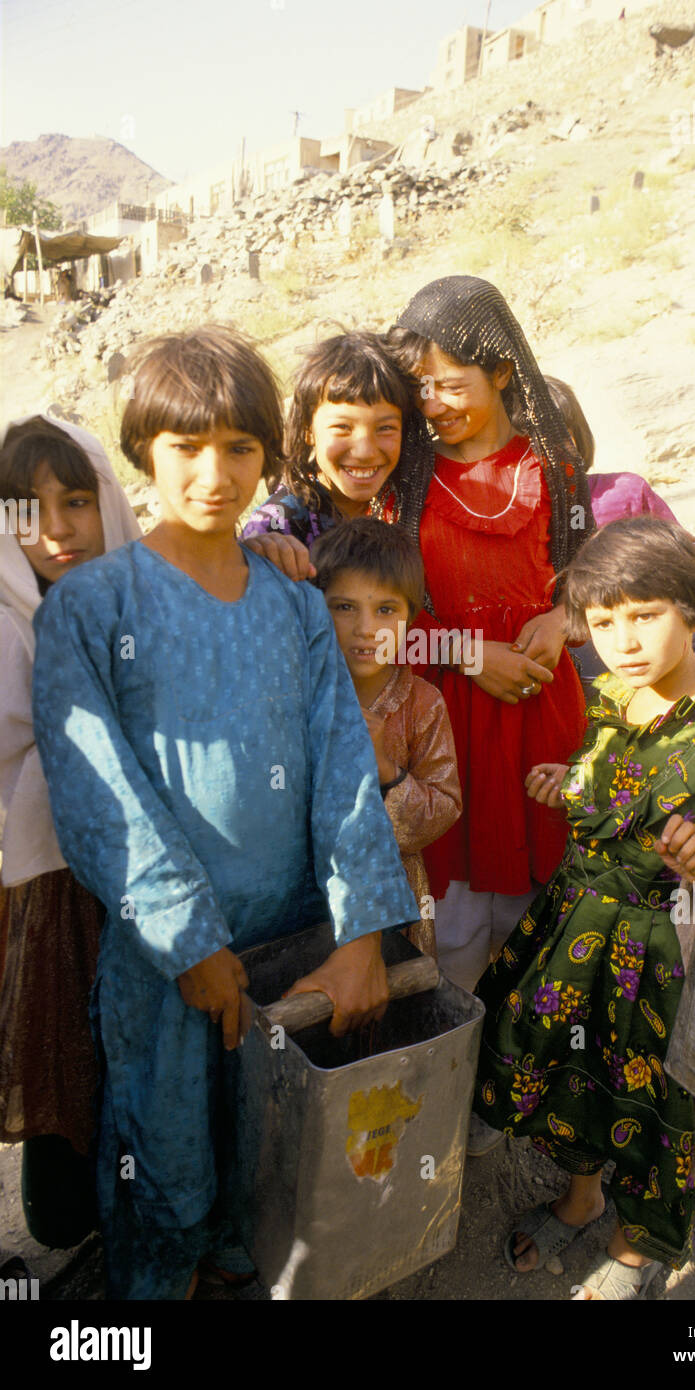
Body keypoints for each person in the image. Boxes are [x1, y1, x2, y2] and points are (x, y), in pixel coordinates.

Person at [30, 327, 418, 1300]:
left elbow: (342, 764)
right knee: (165, 1168)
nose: (215, 474)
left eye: (239, 447)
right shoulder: (93, 607)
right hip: (166, 965)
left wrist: (362, 934)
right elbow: (98, 795)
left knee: (269, 1158)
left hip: (294, 944)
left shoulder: (293, 602)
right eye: (186, 447)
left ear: (268, 454)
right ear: (142, 451)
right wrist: (190, 942)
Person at [470, 516, 695, 1298]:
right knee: (571, 1070)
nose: (624, 641)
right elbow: (604, 789)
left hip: (665, 950)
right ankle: (580, 1198)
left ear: (694, 609)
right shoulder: (606, 696)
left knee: (652, 1097)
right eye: (603, 623)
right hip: (577, 925)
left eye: (645, 615)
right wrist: (564, 782)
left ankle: (634, 1247)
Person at [387, 275, 595, 990]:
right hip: (445, 726)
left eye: (451, 385)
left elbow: (591, 590)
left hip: (542, 715)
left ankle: (532, 1051)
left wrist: (563, 619)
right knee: (456, 931)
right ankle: (461, 1046)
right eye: (421, 389)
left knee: (544, 920)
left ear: (503, 372)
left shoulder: (556, 469)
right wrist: (467, 652)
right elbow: (385, 632)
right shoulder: (404, 484)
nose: (432, 406)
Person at [0, 414, 140, 1249]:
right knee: (65, 1043)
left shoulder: (149, 599)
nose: (55, 530)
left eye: (77, 501)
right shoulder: (6, 622)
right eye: (27, 510)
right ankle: (73, 1211)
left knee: (145, 1055)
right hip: (52, 883)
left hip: (148, 876)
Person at [312, 517, 462, 959]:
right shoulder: (302, 697)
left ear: (409, 618)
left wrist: (384, 769)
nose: (366, 628)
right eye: (344, 607)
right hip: (308, 899)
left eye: (385, 610)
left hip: (395, 901)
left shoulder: (422, 704)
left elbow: (441, 812)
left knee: (393, 990)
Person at [240, 330, 419, 550]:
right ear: (308, 430)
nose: (365, 452)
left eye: (385, 428)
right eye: (342, 427)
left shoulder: (413, 502)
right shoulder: (277, 530)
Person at [514, 374, 679, 529]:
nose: (547, 453)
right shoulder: (509, 523)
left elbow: (679, 546)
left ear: (578, 438)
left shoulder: (627, 494)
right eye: (530, 445)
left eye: (558, 439)